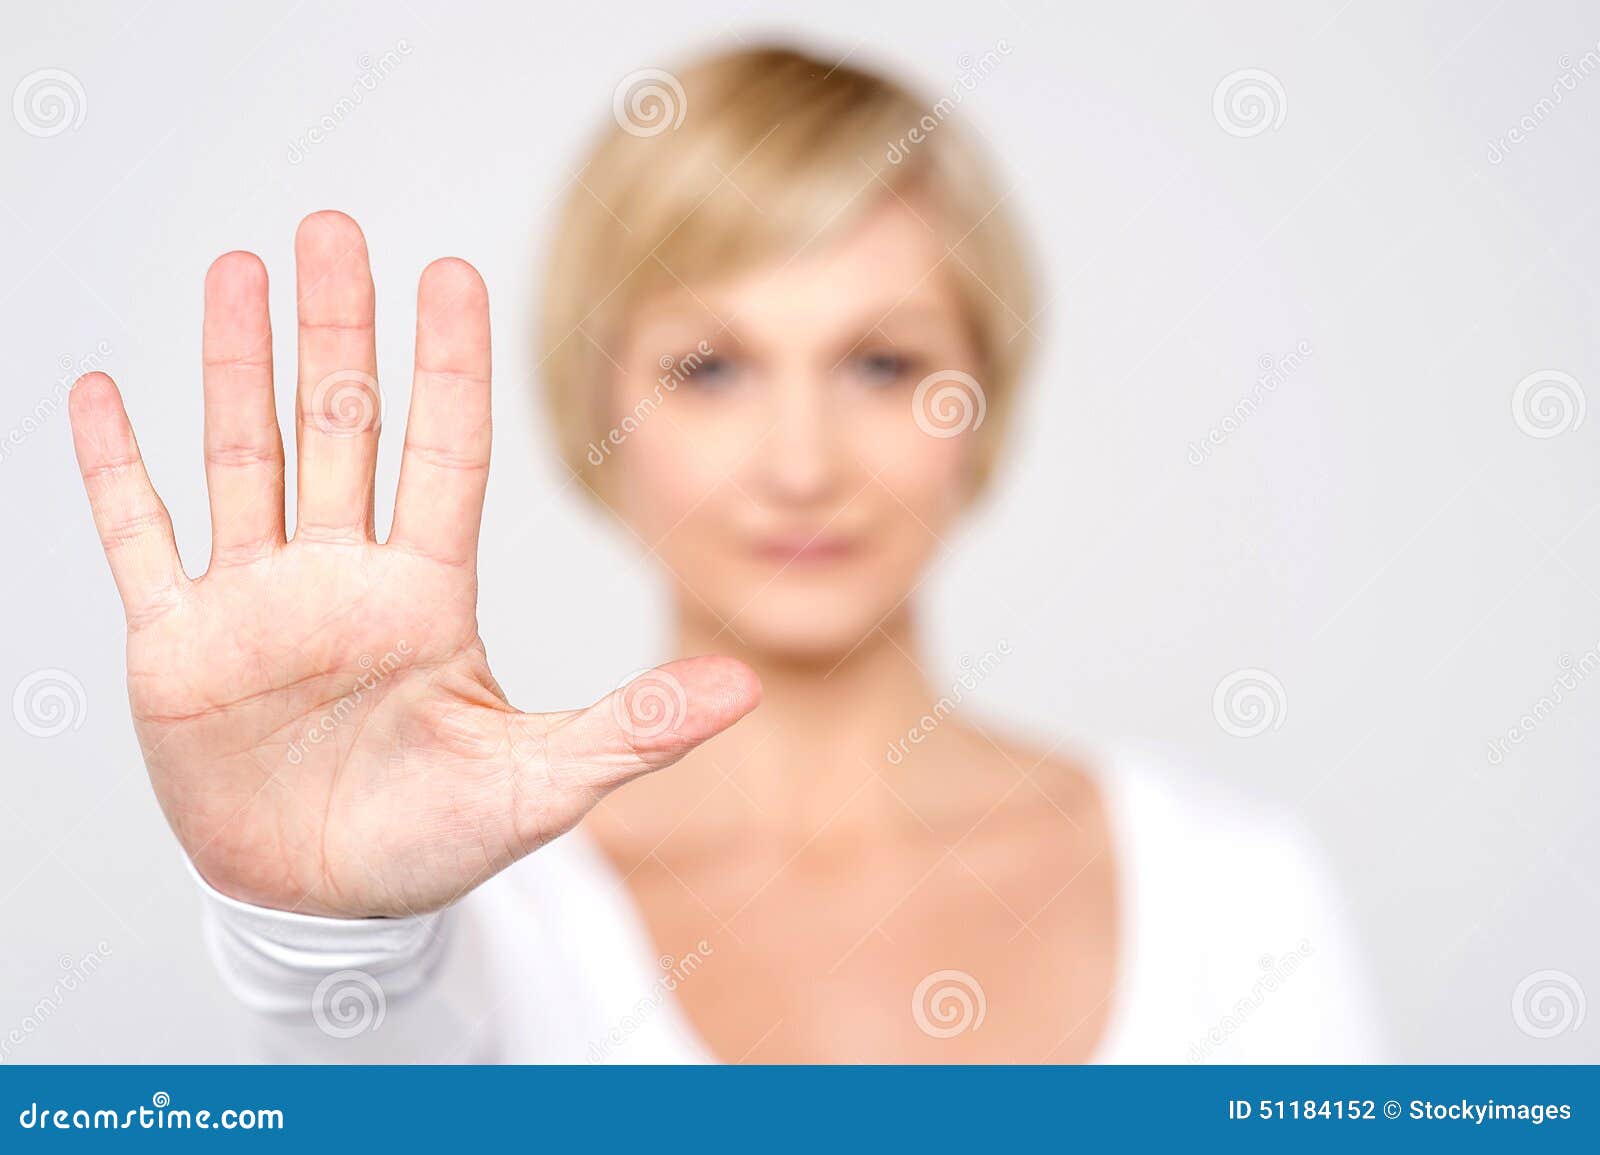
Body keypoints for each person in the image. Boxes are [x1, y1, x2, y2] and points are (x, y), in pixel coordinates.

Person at [66, 45, 1380, 1062]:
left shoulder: (1233, 895)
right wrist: (320, 938)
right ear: (602, 417)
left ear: (984, 398)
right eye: (710, 367)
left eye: (883, 362)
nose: (800, 461)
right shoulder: (465, 921)